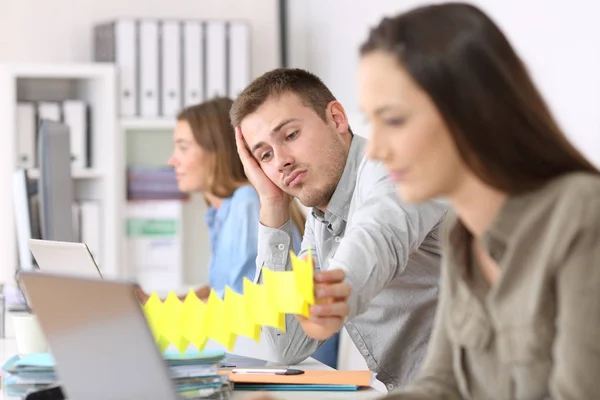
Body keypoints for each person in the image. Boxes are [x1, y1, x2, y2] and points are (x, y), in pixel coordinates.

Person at [356, 3, 600, 399]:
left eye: (395, 120)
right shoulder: (461, 232)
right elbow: (442, 384)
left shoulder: (581, 215)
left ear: (470, 109)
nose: (375, 150)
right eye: (371, 122)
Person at [231, 68, 448, 390]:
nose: (281, 162)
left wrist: (332, 294)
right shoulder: (323, 220)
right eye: (265, 155)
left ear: (336, 118)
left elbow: (377, 237)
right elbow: (286, 346)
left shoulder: (396, 171)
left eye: (290, 136)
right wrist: (273, 203)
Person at [137, 97, 304, 303]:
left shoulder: (246, 203)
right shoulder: (219, 213)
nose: (172, 161)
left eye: (183, 147)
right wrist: (156, 302)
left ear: (217, 151)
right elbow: (221, 289)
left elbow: (241, 301)